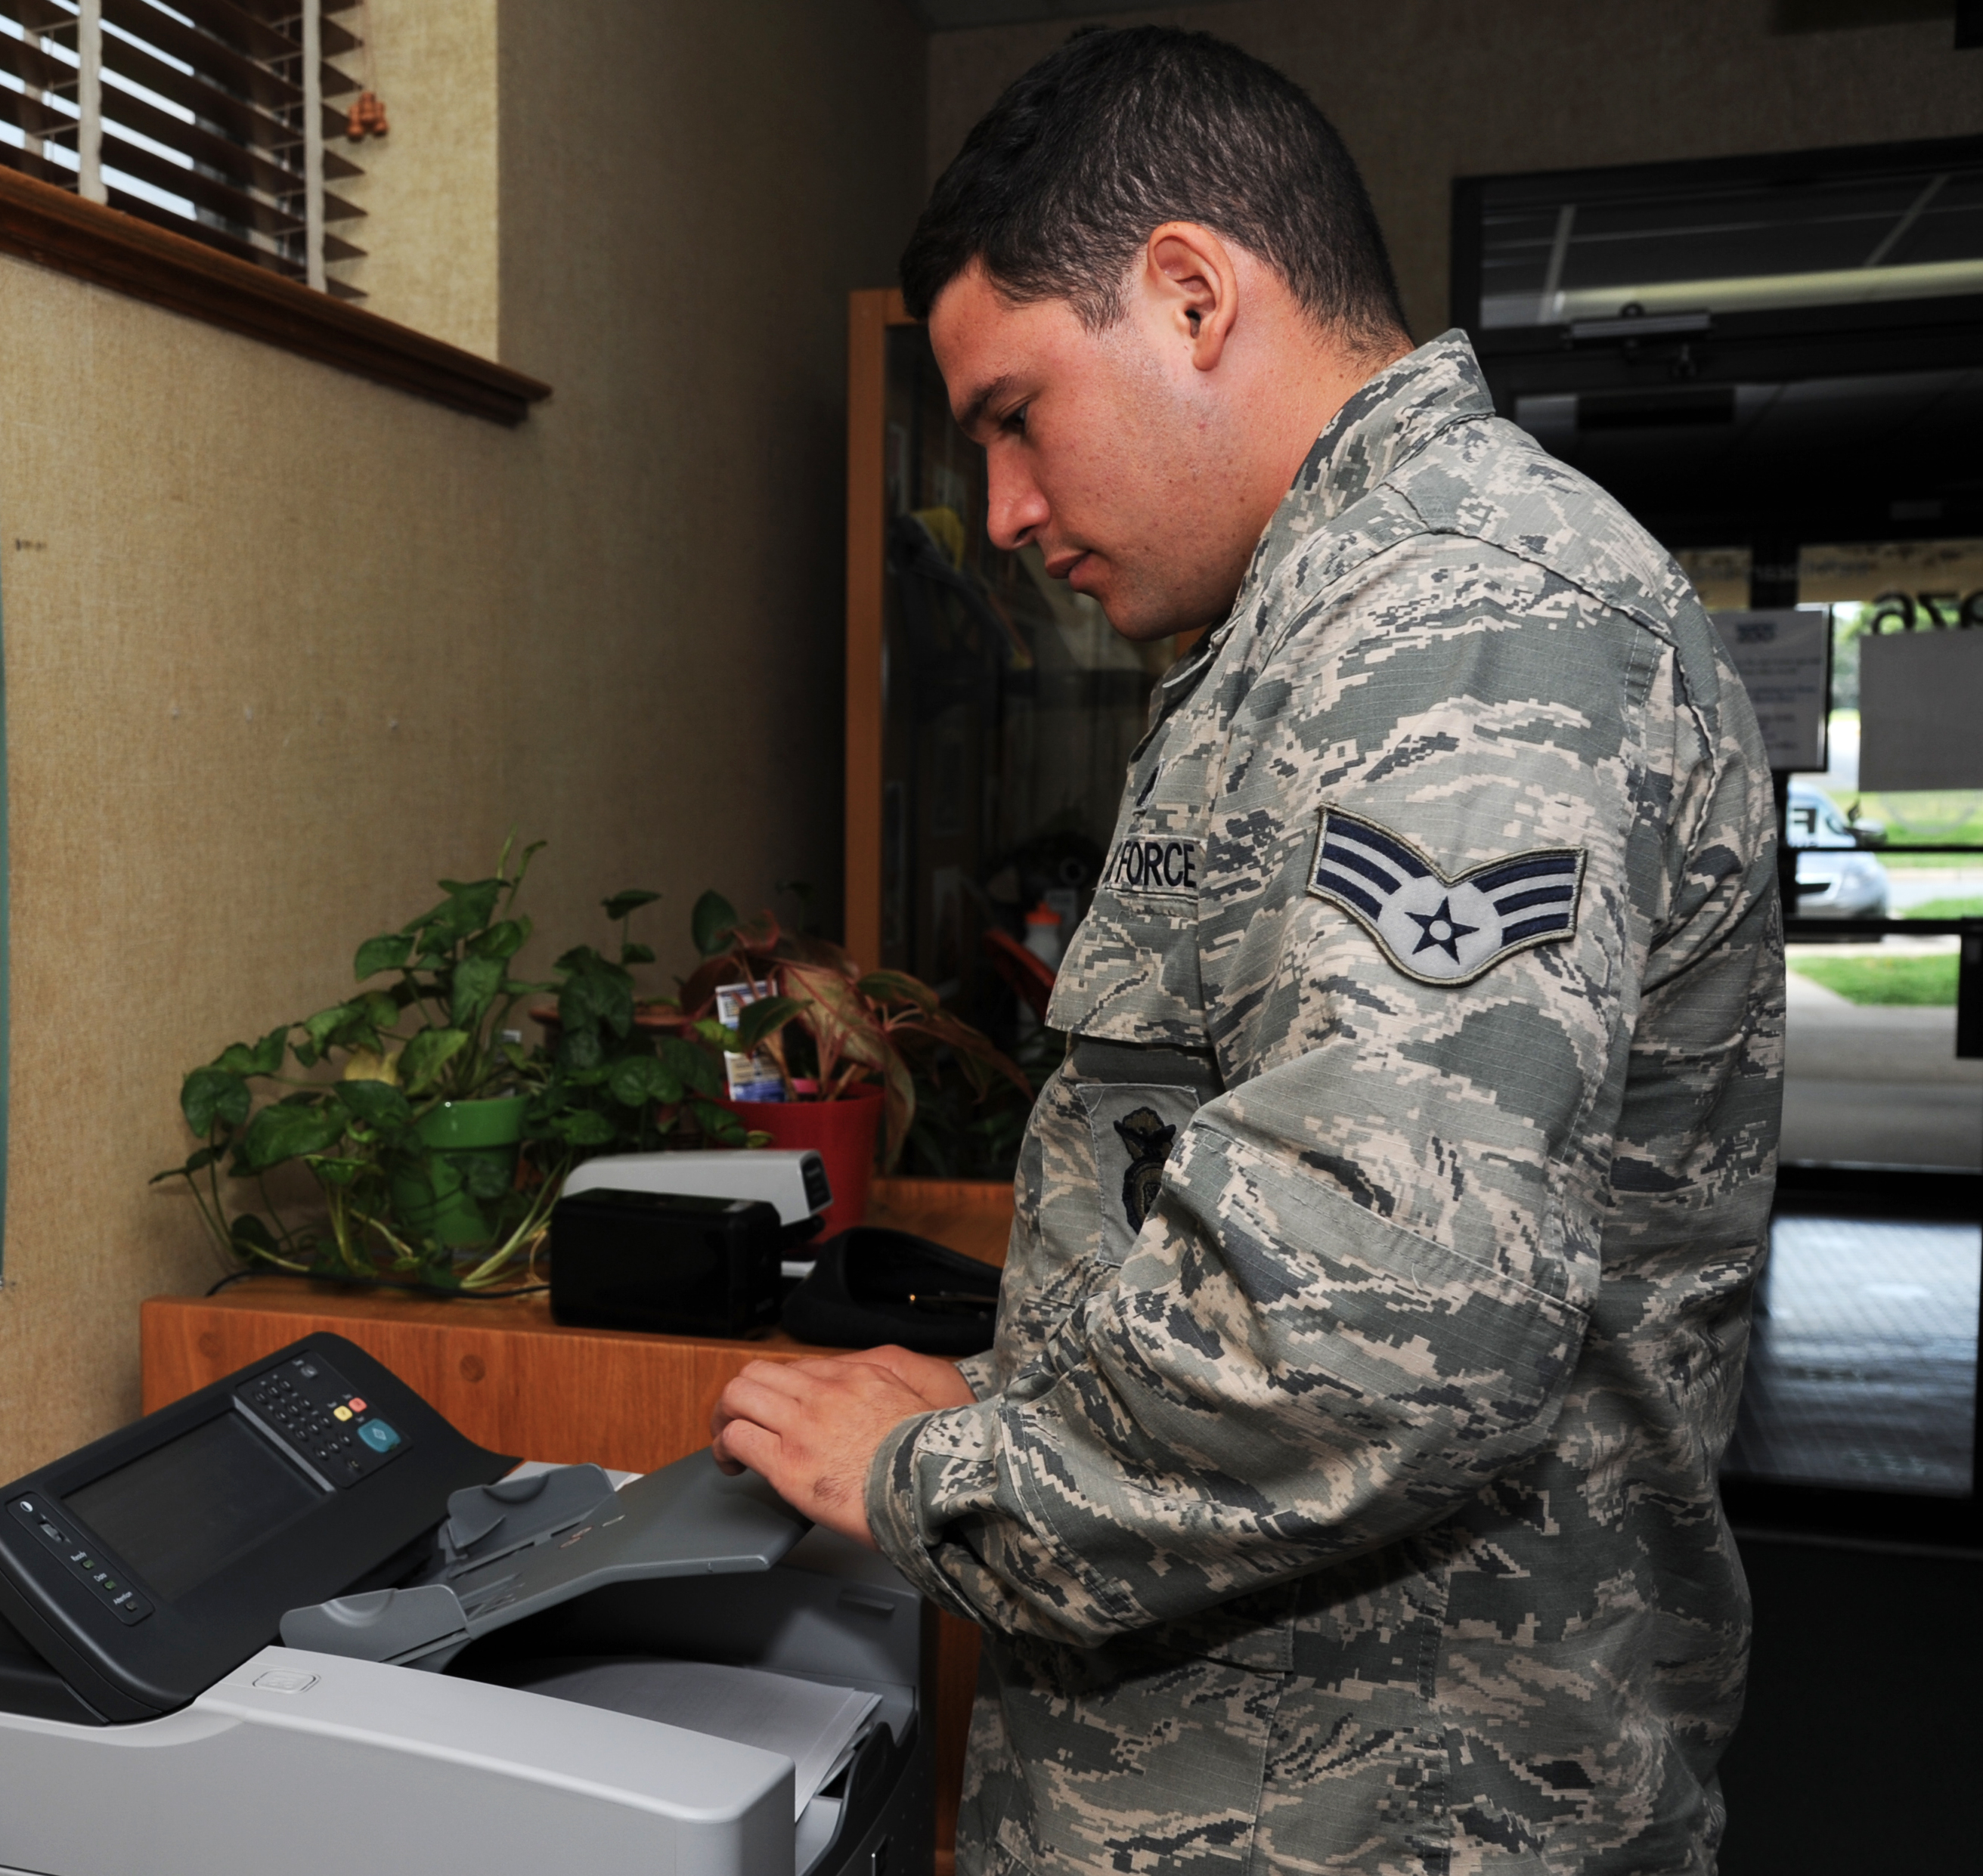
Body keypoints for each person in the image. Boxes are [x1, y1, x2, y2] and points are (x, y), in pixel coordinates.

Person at [711, 26, 1781, 1874]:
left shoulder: (1457, 616)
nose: (1007, 515)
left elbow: (1381, 1328)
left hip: (1379, 1810)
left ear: (1191, 293)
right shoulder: (1325, 612)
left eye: (1013, 417)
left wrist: (927, 1472)